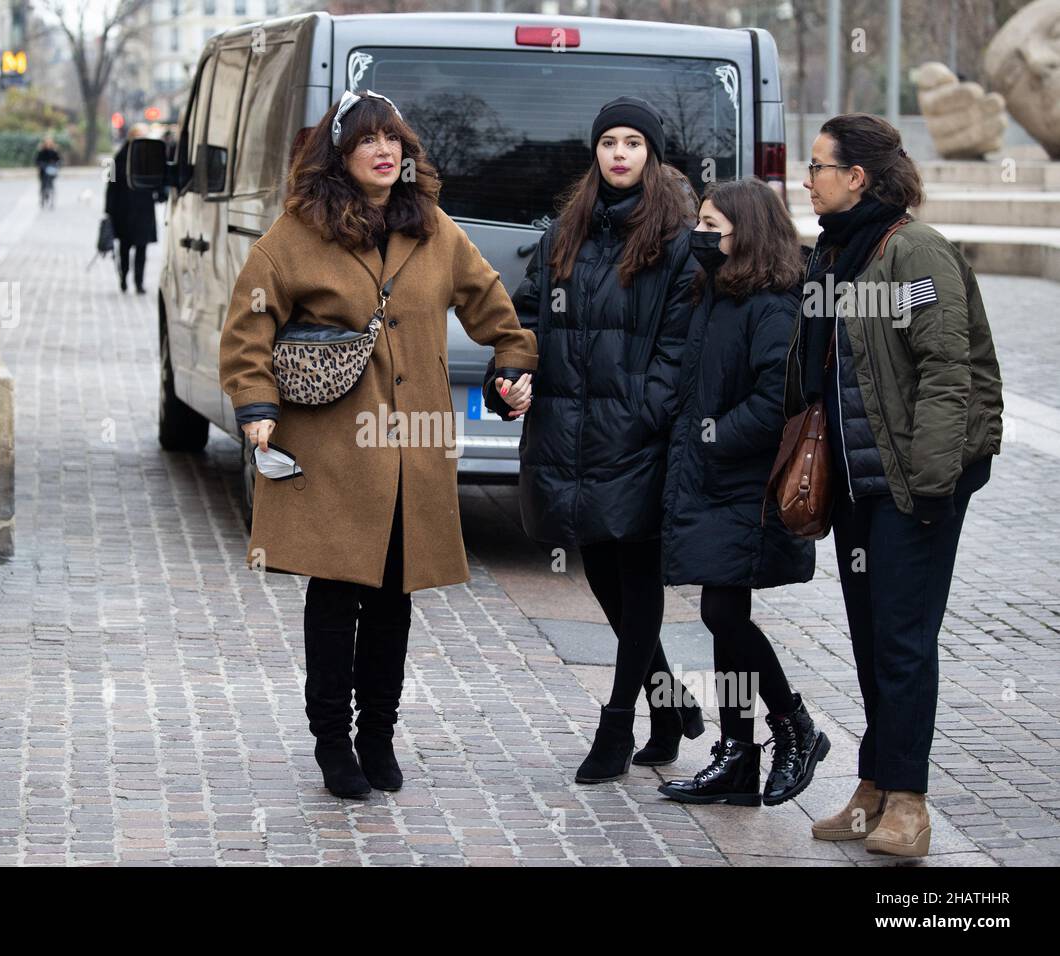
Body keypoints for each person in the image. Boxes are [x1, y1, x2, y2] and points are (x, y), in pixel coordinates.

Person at [219, 91, 537, 799]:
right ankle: (333, 743)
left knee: (395, 598)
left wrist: (513, 362)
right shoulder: (294, 236)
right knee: (336, 598)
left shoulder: (436, 230)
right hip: (332, 451)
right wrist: (255, 407)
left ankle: (379, 735)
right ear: (340, 155)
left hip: (413, 452)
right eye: (367, 141)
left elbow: (494, 309)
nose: (384, 151)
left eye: (393, 139)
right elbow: (248, 329)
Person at [788, 113, 1003, 856]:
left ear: (858, 177)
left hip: (915, 487)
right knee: (872, 637)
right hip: (857, 483)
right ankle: (872, 788)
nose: (806, 178)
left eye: (818, 166)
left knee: (903, 642)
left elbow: (950, 371)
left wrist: (932, 481)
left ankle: (908, 803)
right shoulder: (836, 254)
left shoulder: (913, 252)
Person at [488, 96, 703, 784]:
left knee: (635, 577)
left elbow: (682, 342)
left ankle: (617, 725)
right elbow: (523, 320)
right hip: (570, 431)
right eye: (609, 141)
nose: (619, 153)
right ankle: (668, 707)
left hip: (637, 435)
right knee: (603, 574)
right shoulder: (565, 233)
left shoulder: (676, 237)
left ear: (652, 154)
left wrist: (646, 412)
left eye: (633, 142)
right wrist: (511, 377)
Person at [656, 178, 828, 807]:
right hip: (712, 480)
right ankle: (737, 754)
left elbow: (775, 400)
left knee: (724, 615)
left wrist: (710, 437)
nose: (699, 236)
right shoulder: (717, 291)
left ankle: (792, 724)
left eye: (711, 226)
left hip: (746, 485)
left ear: (746, 233)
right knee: (723, 620)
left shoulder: (773, 302)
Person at [106, 125, 162, 294]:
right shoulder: (119, 158)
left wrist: (160, 193)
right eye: (137, 136)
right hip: (124, 211)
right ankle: (123, 277)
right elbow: (111, 186)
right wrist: (109, 211)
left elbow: (158, 181)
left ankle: (139, 281)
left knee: (142, 248)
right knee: (124, 247)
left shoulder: (149, 158)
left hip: (143, 209)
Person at [34, 136, 61, 209]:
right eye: (47, 143)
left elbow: (58, 160)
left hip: (51, 170)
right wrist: (41, 166)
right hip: (43, 171)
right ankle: (42, 196)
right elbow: (37, 161)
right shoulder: (41, 151)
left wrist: (56, 165)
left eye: (50, 143)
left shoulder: (54, 151)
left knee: (51, 183)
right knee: (43, 184)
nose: (48, 144)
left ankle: (50, 194)